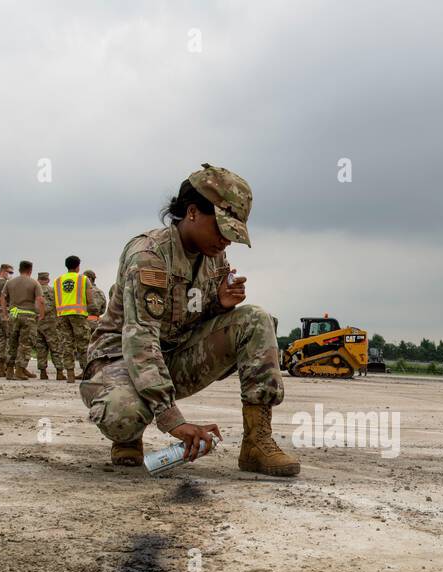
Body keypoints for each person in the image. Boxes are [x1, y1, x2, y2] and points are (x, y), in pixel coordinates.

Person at [81, 163, 298, 476]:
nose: (226, 241)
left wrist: (218, 306)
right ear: (193, 212)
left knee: (255, 319)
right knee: (123, 415)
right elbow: (140, 340)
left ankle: (256, 440)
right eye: (221, 229)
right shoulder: (149, 255)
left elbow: (186, 319)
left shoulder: (214, 256)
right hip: (121, 362)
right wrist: (174, 422)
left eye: (232, 234)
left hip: (173, 356)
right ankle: (129, 435)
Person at [0, 260, 43, 380]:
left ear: (19, 269)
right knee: (25, 344)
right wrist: (41, 314)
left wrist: (4, 313)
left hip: (13, 314)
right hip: (28, 316)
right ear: (30, 270)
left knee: (12, 343)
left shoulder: (10, 282)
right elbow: (40, 300)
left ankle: (9, 370)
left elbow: (2, 298)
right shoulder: (34, 283)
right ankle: (19, 370)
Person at [54, 256, 90, 382]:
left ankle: (70, 373)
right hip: (79, 314)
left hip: (62, 315)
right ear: (78, 266)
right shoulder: (83, 279)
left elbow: (55, 300)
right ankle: (86, 371)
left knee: (66, 344)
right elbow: (90, 299)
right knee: (83, 344)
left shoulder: (58, 281)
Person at [33, 271, 65, 380]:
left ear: (38, 280)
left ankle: (43, 372)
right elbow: (58, 305)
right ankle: (59, 372)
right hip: (51, 323)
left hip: (37, 322)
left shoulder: (34, 292)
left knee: (41, 347)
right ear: (48, 280)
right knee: (55, 347)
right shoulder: (53, 291)